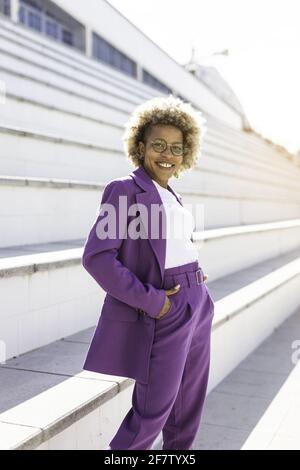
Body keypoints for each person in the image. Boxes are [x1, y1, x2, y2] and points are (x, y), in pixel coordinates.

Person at [81, 94, 215, 450]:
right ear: (140, 146)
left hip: (197, 303)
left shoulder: (172, 194)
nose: (167, 154)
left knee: (187, 412)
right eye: (158, 145)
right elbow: (97, 257)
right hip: (165, 308)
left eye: (176, 148)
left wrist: (198, 283)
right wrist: (154, 302)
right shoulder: (124, 189)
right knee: (150, 415)